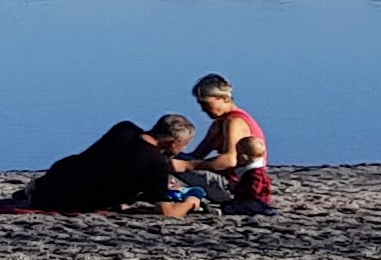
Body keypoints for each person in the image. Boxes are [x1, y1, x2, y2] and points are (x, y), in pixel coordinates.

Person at [23, 114, 197, 215]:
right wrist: (191, 201)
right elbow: (168, 212)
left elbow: (116, 162)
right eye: (185, 144)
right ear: (174, 142)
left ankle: (33, 189)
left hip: (57, 177)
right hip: (75, 200)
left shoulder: (124, 129)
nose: (185, 148)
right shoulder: (155, 163)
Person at [179, 74, 276, 214]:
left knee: (170, 168)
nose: (203, 109)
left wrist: (187, 165)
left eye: (206, 104)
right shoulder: (219, 123)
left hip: (238, 185)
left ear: (224, 98)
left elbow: (229, 160)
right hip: (229, 179)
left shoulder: (235, 122)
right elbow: (198, 154)